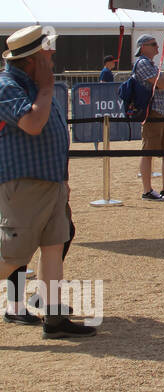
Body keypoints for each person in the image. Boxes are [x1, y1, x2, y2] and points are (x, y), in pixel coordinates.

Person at [0, 25, 95, 337]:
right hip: (24, 184)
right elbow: (33, 124)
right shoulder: (7, 85)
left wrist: (63, 179)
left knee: (54, 247)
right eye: (46, 50)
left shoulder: (42, 85)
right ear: (32, 58)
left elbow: (56, 135)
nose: (52, 54)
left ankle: (54, 320)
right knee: (11, 257)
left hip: (49, 182)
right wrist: (45, 88)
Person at [133, 34, 164, 201]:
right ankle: (147, 190)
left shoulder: (152, 65)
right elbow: (162, 83)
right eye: (153, 44)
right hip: (151, 111)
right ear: (143, 47)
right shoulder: (142, 64)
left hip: (162, 111)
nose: (157, 47)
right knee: (148, 151)